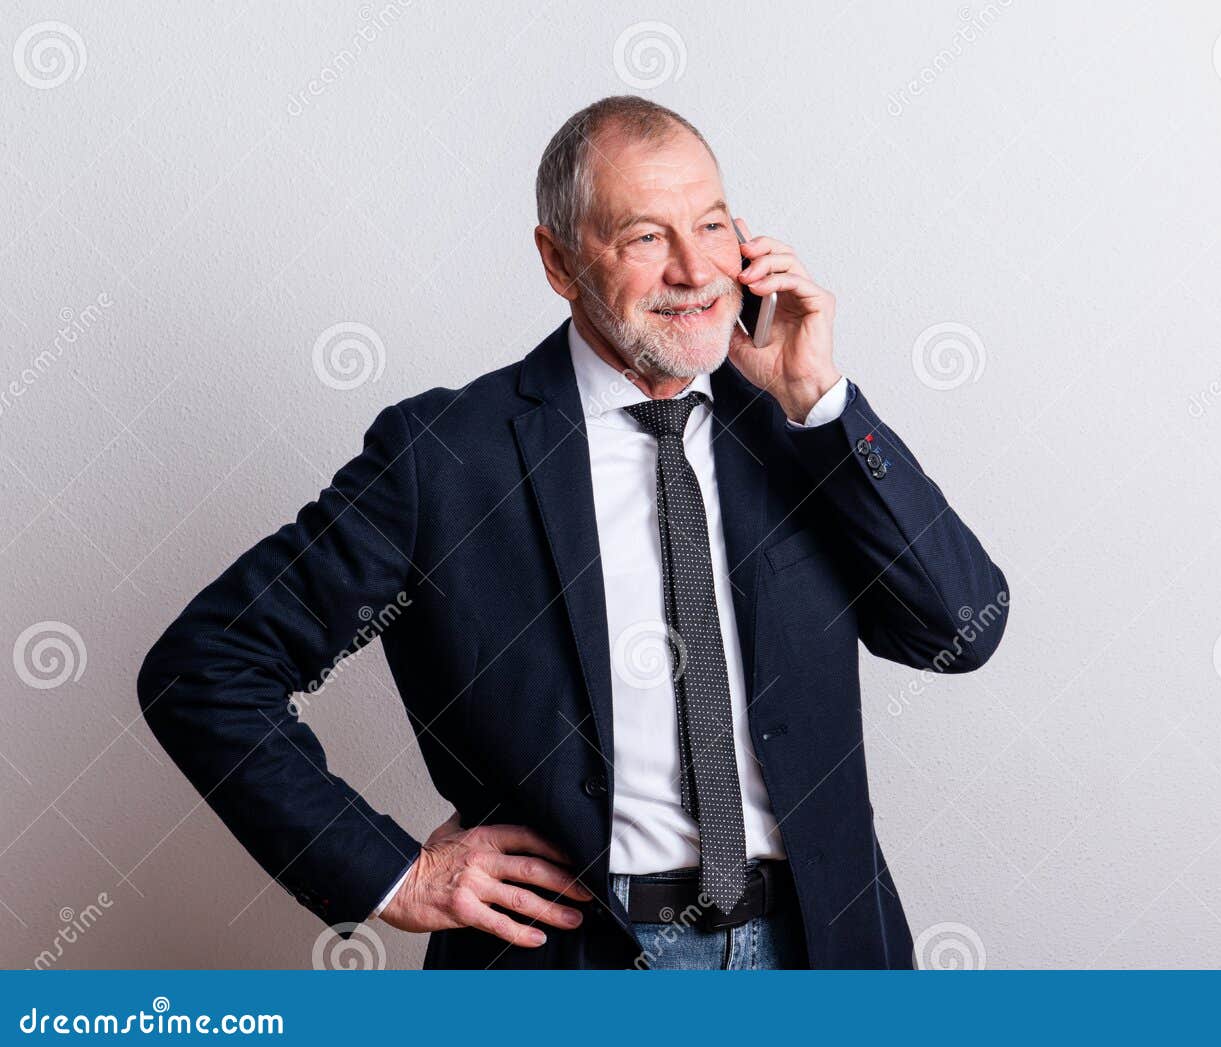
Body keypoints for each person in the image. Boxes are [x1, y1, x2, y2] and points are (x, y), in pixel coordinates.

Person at [137, 95, 1009, 969]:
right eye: (644, 237)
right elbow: (205, 671)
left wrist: (821, 401)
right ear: (559, 262)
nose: (695, 271)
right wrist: (393, 874)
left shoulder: (798, 429)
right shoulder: (445, 458)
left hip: (822, 952)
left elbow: (955, 631)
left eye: (710, 224)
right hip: (571, 966)